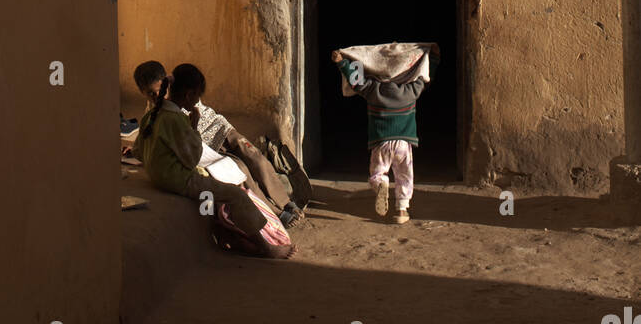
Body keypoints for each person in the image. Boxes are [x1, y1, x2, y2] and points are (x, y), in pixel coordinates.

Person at [133, 60, 305, 228]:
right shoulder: (157, 112)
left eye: (158, 91)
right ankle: (273, 213)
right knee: (241, 171)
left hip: (218, 128)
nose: (157, 96)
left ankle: (285, 202)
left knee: (253, 156)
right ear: (142, 92)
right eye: (150, 94)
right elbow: (172, 142)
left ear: (167, 80)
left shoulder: (182, 85)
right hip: (203, 146)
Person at [330, 44, 440, 225]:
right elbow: (426, 78)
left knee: (378, 171)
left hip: (381, 142)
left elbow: (356, 81)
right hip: (404, 144)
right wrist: (434, 58)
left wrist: (342, 63)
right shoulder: (411, 91)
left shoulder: (373, 90)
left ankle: (380, 183)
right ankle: (402, 210)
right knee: (405, 176)